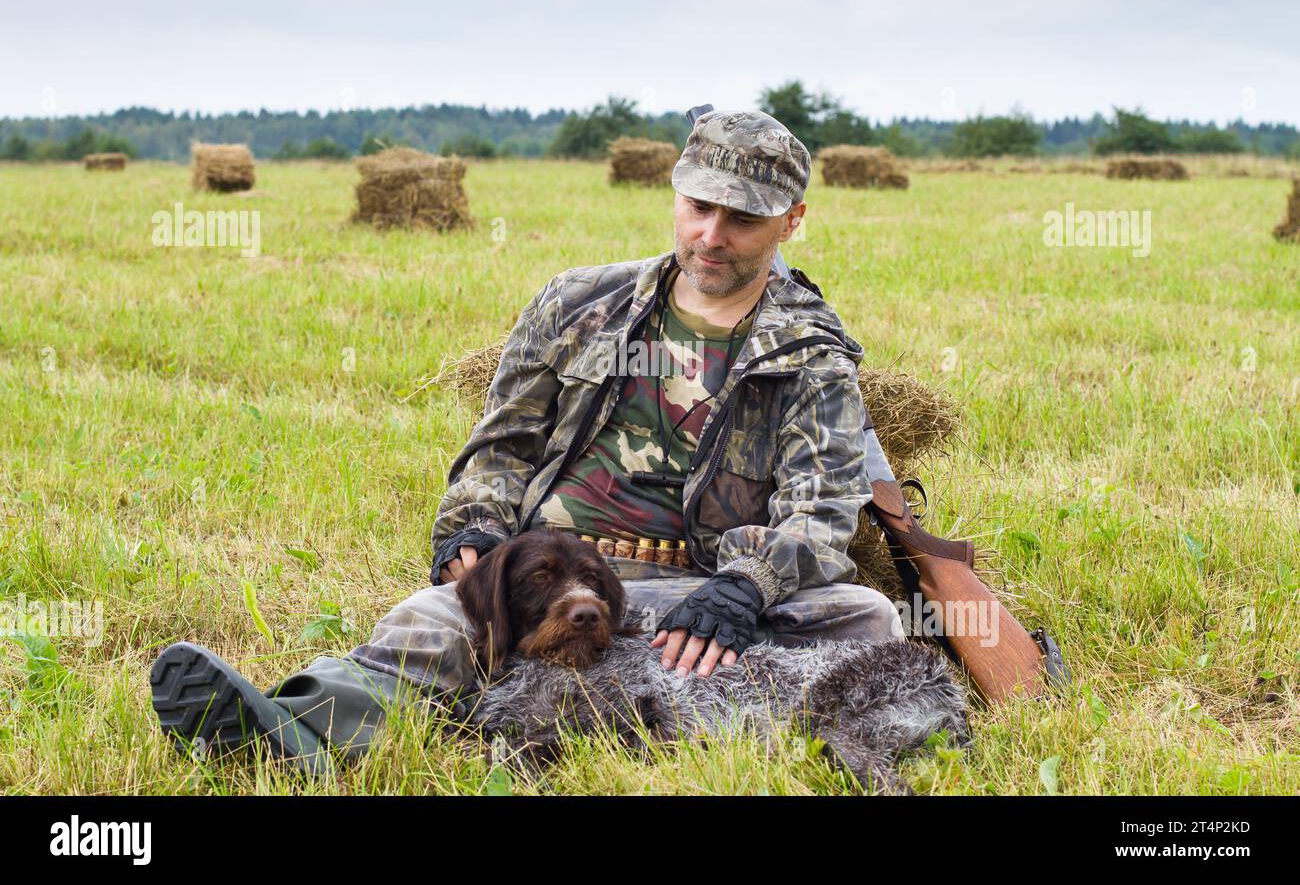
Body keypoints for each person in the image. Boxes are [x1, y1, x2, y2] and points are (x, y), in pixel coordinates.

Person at [149, 109, 907, 775]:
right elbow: (500, 445)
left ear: (793, 220)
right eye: (698, 207)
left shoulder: (809, 351)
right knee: (426, 622)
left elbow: (822, 508)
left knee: (867, 618)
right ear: (675, 196)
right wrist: (473, 526)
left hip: (695, 587)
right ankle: (287, 729)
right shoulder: (579, 300)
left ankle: (605, 703)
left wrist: (746, 587)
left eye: (741, 219)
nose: (712, 236)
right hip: (552, 571)